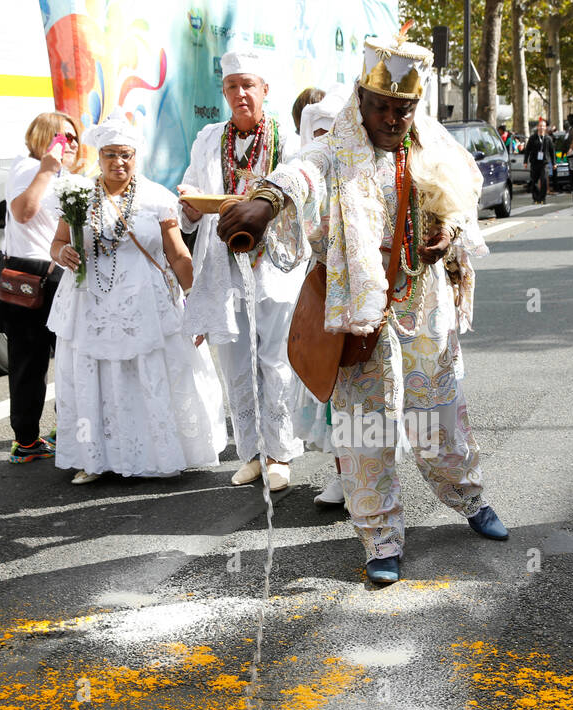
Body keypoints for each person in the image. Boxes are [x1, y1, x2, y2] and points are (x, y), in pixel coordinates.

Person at [218, 27, 509, 585]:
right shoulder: (336, 148)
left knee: (438, 416)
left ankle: (470, 500)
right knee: (364, 427)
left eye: (403, 108)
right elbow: (299, 172)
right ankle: (379, 537)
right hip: (357, 308)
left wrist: (445, 235)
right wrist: (264, 202)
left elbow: (459, 203)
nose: (393, 119)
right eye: (381, 107)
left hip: (423, 303)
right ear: (361, 100)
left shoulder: (428, 143)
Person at [47, 115, 227, 485]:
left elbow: (178, 256)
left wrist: (195, 302)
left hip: (144, 303)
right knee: (93, 378)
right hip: (89, 303)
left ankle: (155, 453)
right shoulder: (75, 194)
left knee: (143, 375)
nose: (118, 162)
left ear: (136, 156)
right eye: (110, 154)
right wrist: (62, 253)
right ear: (99, 156)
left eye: (126, 155)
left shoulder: (157, 198)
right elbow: (57, 242)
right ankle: (93, 459)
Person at [178, 50, 304, 492]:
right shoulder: (210, 138)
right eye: (232, 86)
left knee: (275, 359)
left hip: (274, 265)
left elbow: (302, 200)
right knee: (236, 361)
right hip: (224, 265)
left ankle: (280, 454)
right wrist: (191, 204)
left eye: (248, 85)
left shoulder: (288, 140)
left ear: (265, 90)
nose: (240, 94)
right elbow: (192, 202)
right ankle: (250, 452)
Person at [0, 111, 82, 464]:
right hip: (31, 273)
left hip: (55, 270)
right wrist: (47, 169)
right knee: (31, 359)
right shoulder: (27, 167)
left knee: (67, 357)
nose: (72, 143)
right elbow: (23, 212)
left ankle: (61, 428)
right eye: (64, 136)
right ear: (44, 139)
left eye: (75, 137)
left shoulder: (67, 173)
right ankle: (27, 440)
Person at [291, 84, 351, 508]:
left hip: (372, 293)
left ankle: (375, 480)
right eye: (319, 132)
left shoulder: (368, 171)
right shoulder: (307, 171)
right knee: (330, 383)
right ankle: (345, 476)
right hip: (324, 289)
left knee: (370, 393)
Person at [523, 117, 553, 204]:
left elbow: (552, 151)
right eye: (540, 126)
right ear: (537, 127)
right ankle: (536, 198)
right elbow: (527, 150)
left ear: (545, 127)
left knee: (544, 180)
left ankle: (542, 198)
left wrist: (554, 163)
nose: (541, 128)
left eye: (543, 126)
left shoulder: (548, 139)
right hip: (534, 163)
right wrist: (525, 161)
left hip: (544, 163)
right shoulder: (532, 138)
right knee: (534, 181)